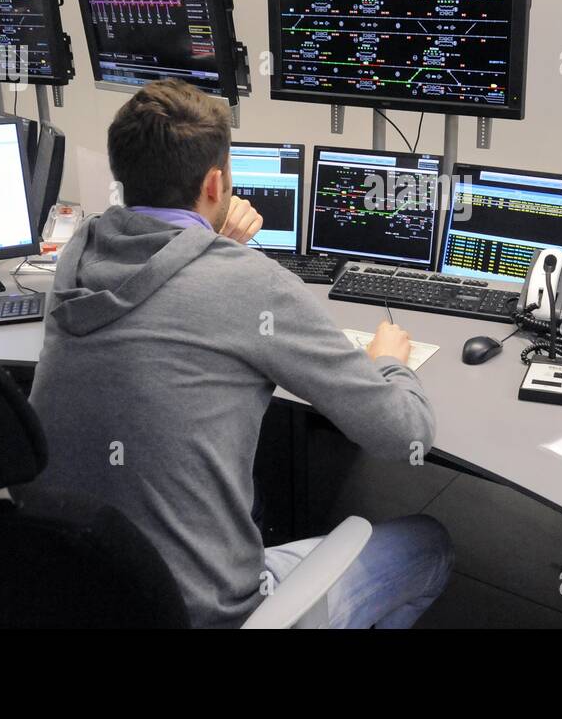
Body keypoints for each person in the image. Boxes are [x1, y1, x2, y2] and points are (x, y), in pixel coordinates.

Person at [29, 79, 452, 628]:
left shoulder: (76, 257)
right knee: (429, 544)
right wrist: (388, 360)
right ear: (215, 182)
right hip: (205, 613)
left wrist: (209, 245)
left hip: (75, 596)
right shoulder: (250, 285)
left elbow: (168, 299)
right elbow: (405, 435)